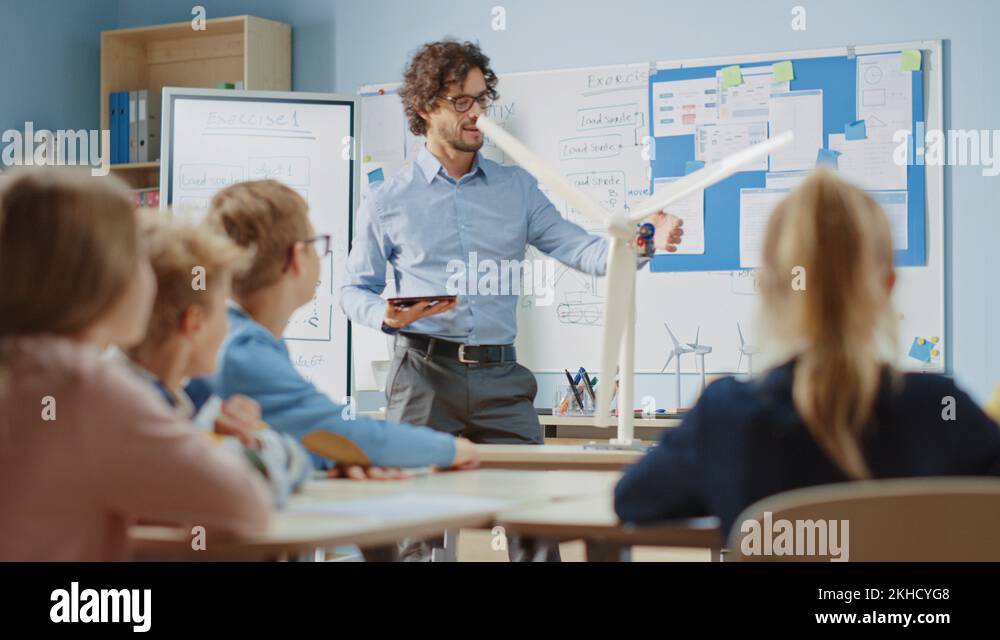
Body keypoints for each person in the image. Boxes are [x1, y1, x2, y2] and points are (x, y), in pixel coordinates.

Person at [614, 169, 1000, 538]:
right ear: (886, 285)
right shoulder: (942, 411)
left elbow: (632, 499)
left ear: (767, 288)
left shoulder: (726, 416)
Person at [341, 40, 684, 445]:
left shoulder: (516, 188)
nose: (478, 113)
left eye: (482, 99)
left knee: (526, 489)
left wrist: (644, 240)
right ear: (424, 108)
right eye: (461, 101)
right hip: (423, 376)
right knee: (415, 497)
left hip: (501, 379)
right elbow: (352, 289)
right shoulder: (388, 200)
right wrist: (384, 314)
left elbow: (584, 251)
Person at [0, 168, 270, 561]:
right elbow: (245, 506)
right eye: (137, 257)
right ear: (103, 274)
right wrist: (227, 445)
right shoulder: (81, 385)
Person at [204, 179, 479, 472]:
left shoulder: (241, 338)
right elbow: (338, 428)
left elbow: (293, 433)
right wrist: (451, 448)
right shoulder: (243, 352)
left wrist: (336, 456)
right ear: (297, 257)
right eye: (317, 244)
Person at [125, 214, 312, 505]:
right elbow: (256, 492)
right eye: (224, 312)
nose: (229, 326)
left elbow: (298, 460)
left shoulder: (193, 402)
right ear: (194, 323)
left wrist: (251, 440)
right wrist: (251, 446)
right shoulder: (143, 414)